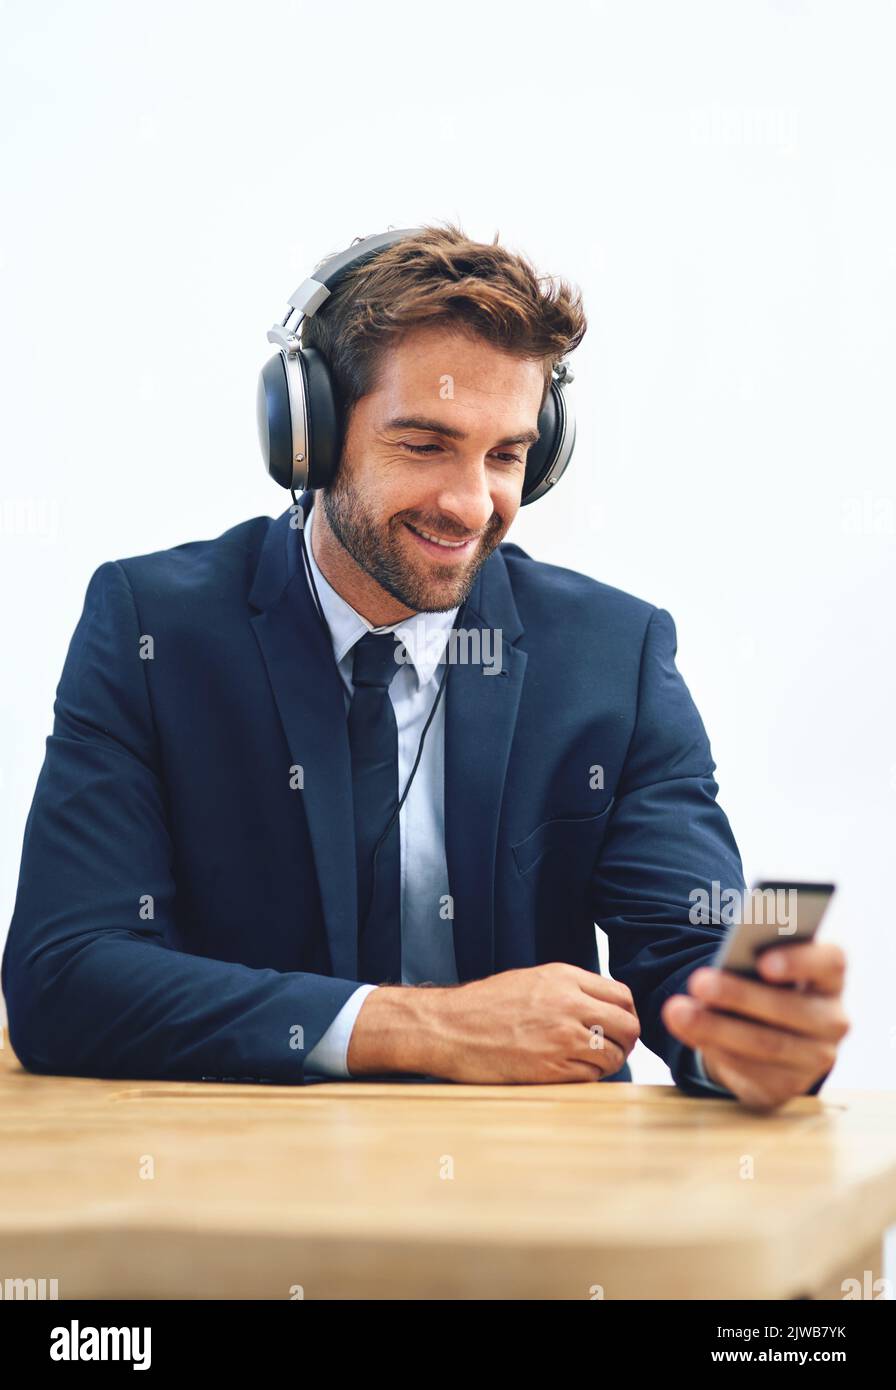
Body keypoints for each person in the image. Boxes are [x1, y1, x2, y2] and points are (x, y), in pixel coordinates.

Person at [2, 223, 849, 1110]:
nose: (471, 502)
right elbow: (65, 977)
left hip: (539, 1198)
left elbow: (687, 955)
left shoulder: (612, 654)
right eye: (425, 444)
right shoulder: (155, 631)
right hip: (247, 1182)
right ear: (312, 437)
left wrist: (752, 1038)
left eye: (507, 455)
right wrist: (426, 1027)